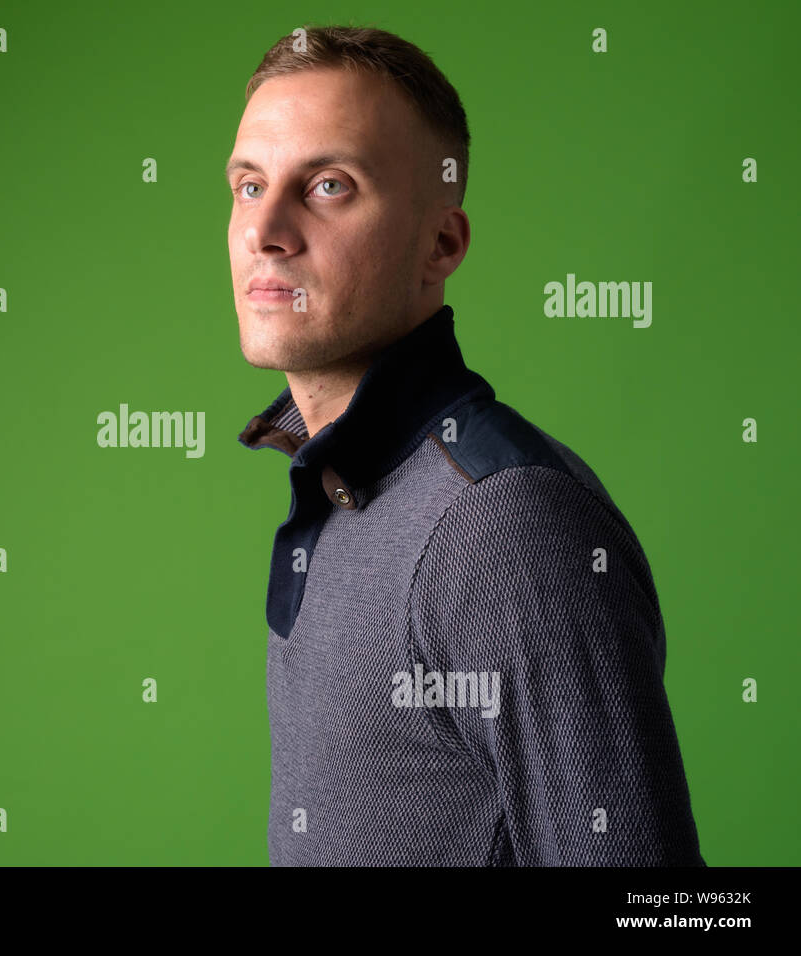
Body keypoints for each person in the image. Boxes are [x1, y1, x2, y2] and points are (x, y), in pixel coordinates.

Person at [229, 25, 704, 866]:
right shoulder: (338, 479)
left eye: (329, 185)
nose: (266, 229)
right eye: (249, 185)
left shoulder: (502, 526)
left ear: (440, 245)